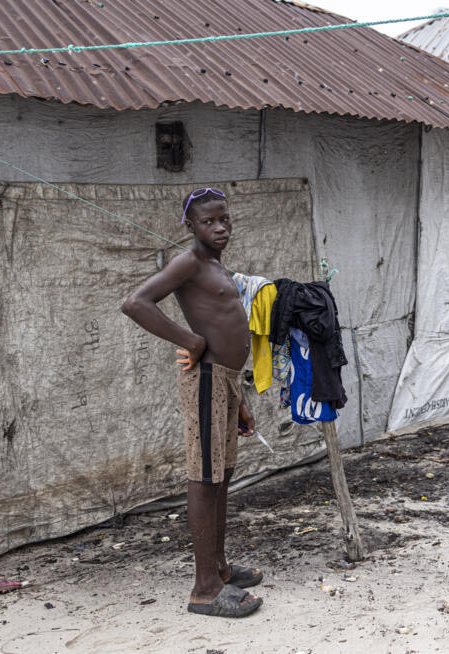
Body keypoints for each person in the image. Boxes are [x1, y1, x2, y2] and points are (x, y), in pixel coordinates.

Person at [121, 188, 263, 618]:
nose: (220, 228)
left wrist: (239, 400)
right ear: (190, 226)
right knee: (204, 477)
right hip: (205, 381)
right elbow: (135, 303)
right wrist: (191, 341)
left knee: (222, 475)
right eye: (208, 222)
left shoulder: (216, 265)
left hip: (225, 382)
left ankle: (220, 569)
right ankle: (204, 590)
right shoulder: (189, 262)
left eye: (224, 219)